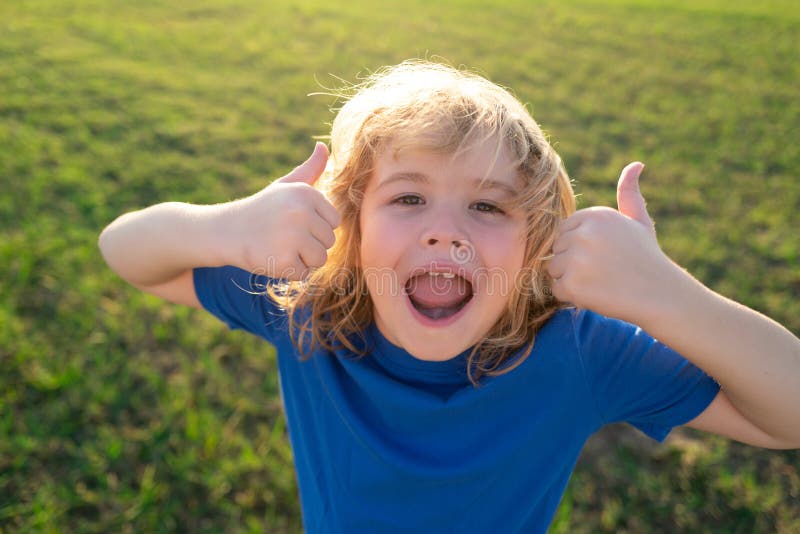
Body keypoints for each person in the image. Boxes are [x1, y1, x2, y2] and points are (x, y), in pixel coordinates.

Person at [99, 60, 800, 532]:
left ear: (536, 244)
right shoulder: (305, 309)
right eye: (408, 197)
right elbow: (126, 253)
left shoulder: (579, 349)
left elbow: (787, 418)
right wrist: (224, 227)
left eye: (489, 209)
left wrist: (665, 297)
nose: (445, 235)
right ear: (350, 222)